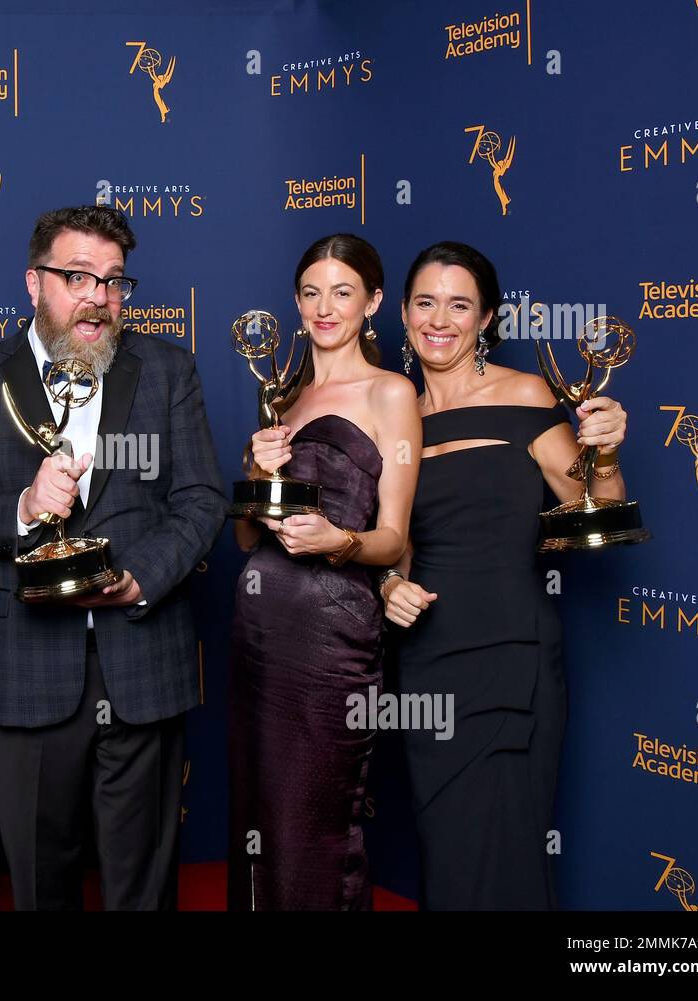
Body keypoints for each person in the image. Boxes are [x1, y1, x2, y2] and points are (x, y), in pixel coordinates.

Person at [0, 205, 226, 910]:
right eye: (78, 276)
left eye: (114, 281)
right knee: (40, 882)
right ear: (33, 283)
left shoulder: (166, 369)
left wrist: (138, 577)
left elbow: (202, 500)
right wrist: (24, 507)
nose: (99, 297)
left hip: (143, 663)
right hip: (25, 669)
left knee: (141, 886)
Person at [381, 241, 630, 910]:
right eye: (426, 302)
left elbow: (599, 505)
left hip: (511, 656)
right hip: (426, 663)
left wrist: (602, 448)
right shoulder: (389, 409)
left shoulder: (524, 393)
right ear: (403, 313)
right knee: (450, 857)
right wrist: (386, 587)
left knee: (507, 856)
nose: (440, 319)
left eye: (459, 304)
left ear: (486, 317)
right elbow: (391, 541)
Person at [227, 234, 420, 910]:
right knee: (262, 811)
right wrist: (257, 470)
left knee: (315, 816)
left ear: (372, 302)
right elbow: (250, 532)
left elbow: (393, 536)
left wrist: (339, 541)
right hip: (261, 627)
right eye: (311, 292)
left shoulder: (392, 393)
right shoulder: (282, 392)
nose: (324, 307)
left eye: (342, 292)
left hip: (331, 632)